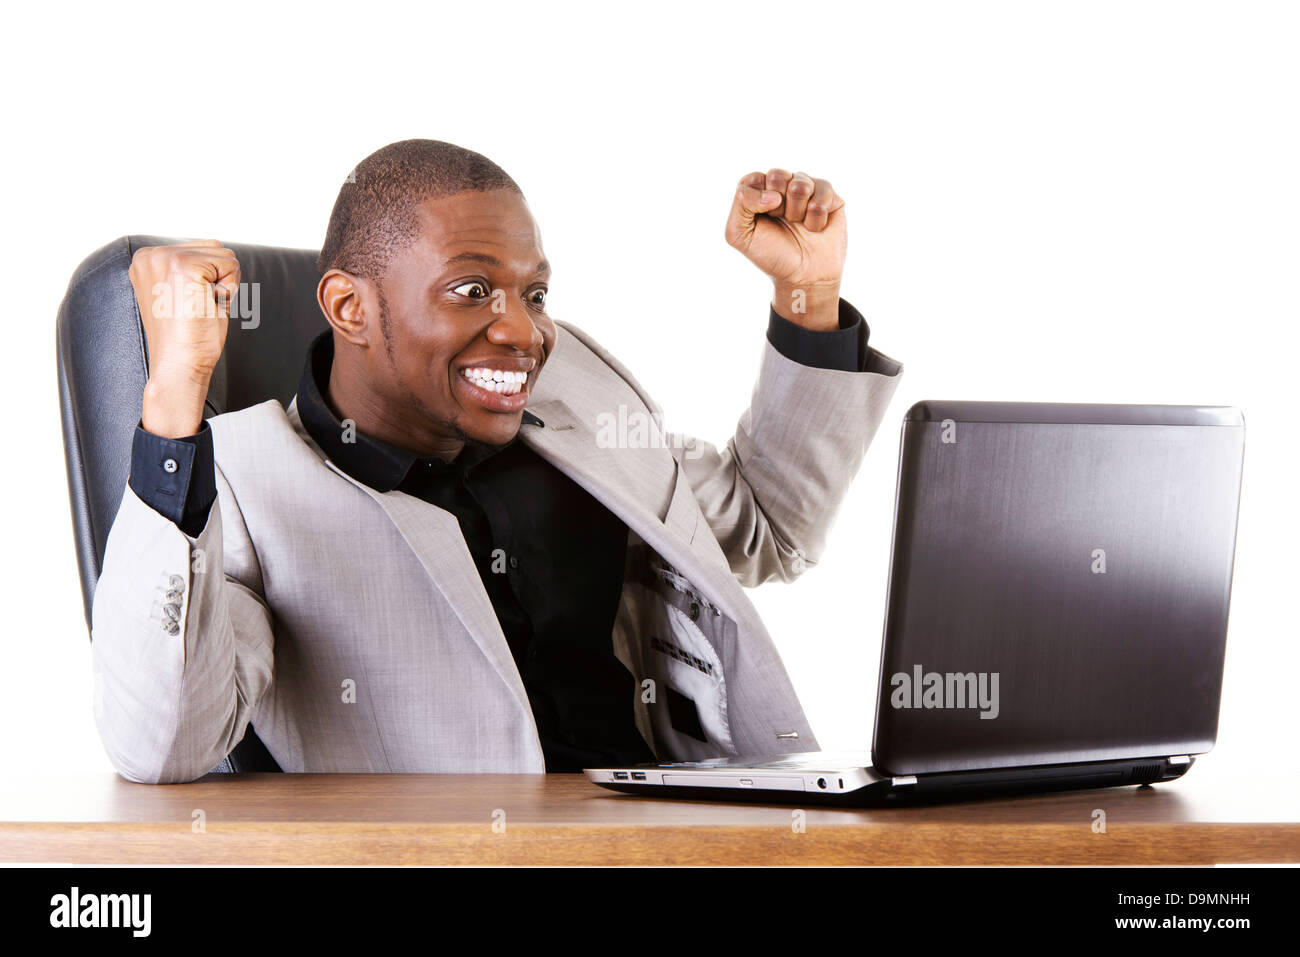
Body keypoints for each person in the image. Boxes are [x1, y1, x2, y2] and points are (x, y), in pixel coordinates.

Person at [91, 139, 902, 782]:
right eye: (472, 291)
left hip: (684, 846)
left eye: (535, 294)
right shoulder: (240, 483)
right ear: (348, 306)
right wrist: (174, 398)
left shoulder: (571, 391)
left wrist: (808, 298)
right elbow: (165, 742)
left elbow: (765, 529)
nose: (524, 332)